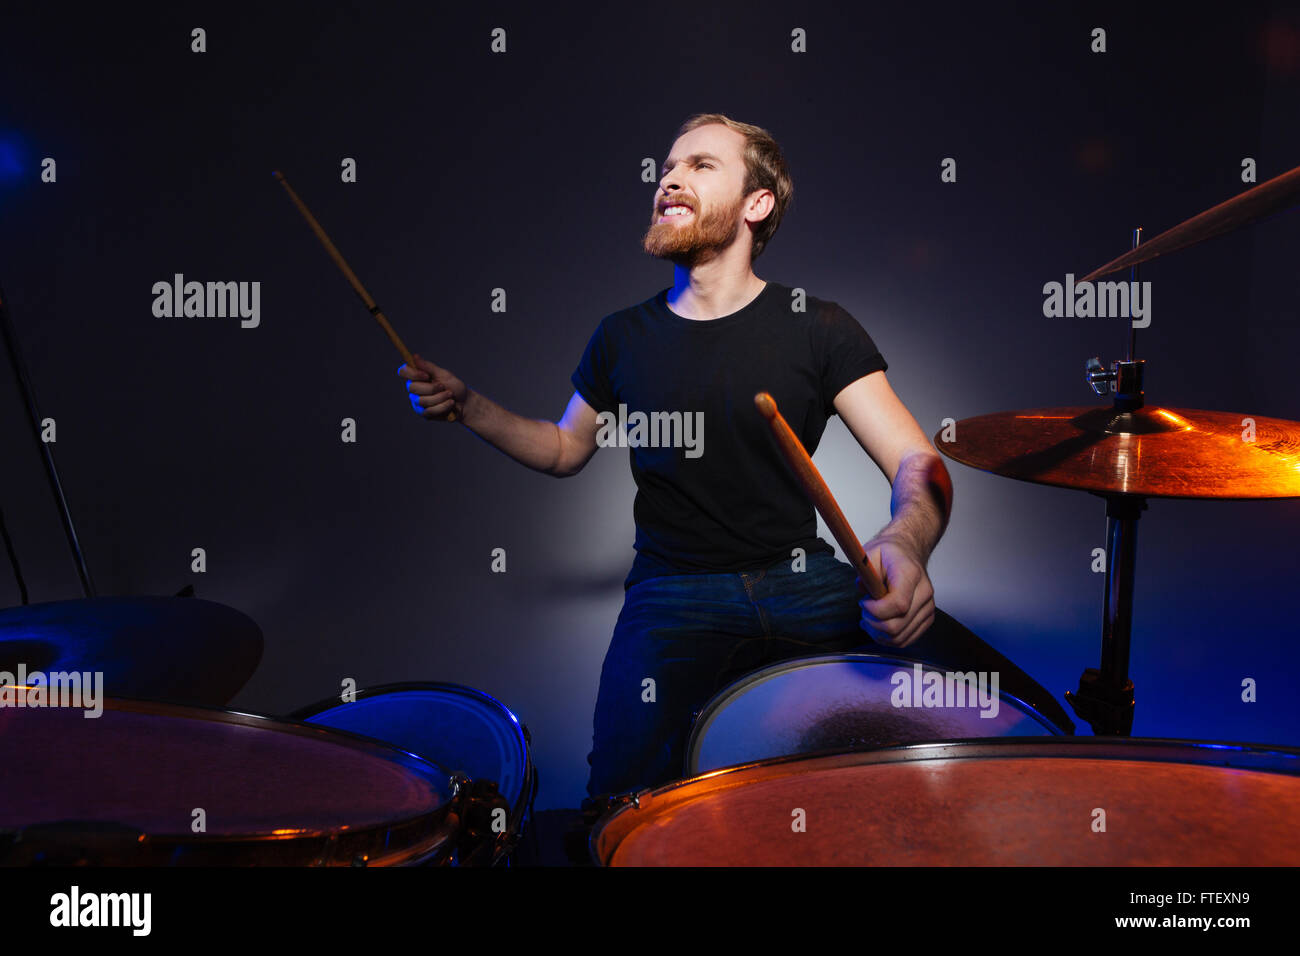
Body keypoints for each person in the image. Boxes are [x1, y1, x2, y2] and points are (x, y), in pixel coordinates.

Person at [398, 113, 1061, 803]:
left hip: (804, 579)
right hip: (672, 592)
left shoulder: (819, 325)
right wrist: (470, 405)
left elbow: (919, 463)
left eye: (700, 165)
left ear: (757, 203)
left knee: (1024, 721)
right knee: (621, 802)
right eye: (666, 168)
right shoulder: (622, 336)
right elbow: (566, 448)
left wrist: (906, 543)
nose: (670, 179)